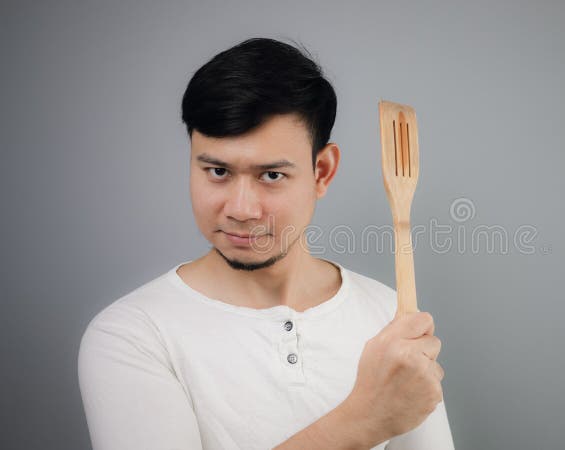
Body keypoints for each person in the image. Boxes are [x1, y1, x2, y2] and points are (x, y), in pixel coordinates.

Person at [77, 37, 454, 449]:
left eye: (271, 176)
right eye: (217, 171)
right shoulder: (133, 335)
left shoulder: (390, 315)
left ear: (322, 172)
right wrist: (364, 419)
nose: (241, 209)